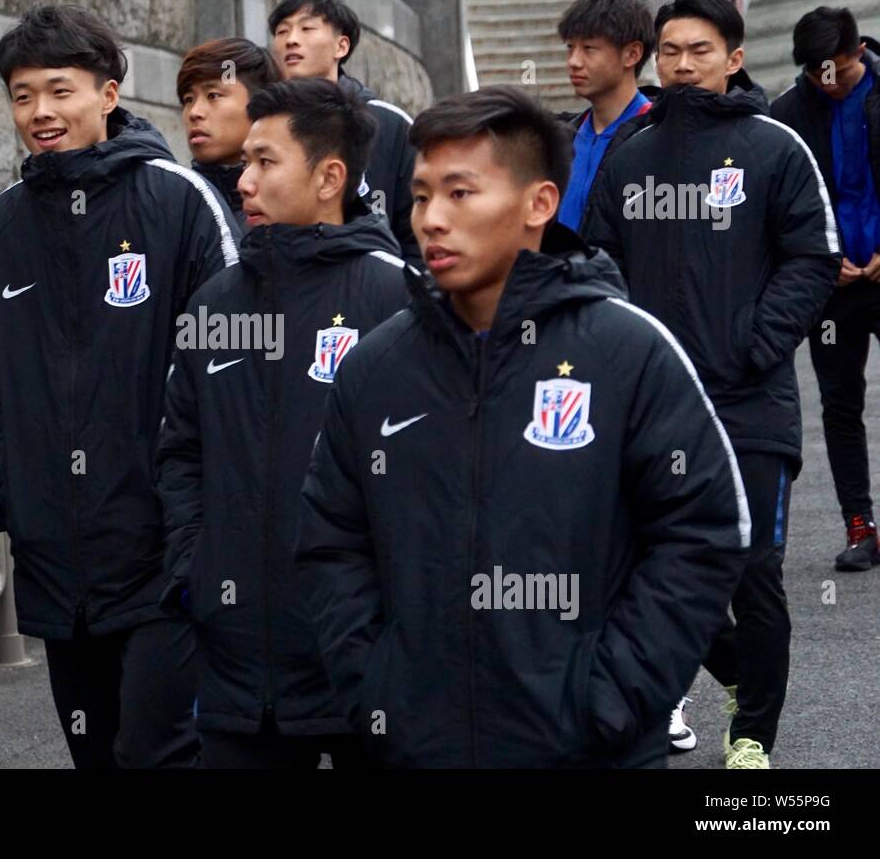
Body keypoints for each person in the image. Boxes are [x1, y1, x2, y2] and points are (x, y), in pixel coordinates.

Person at [294, 85, 748, 768]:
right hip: (421, 747)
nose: (432, 220)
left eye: (460, 193)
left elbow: (705, 532)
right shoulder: (376, 365)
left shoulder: (628, 351)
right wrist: (377, 687)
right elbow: (331, 539)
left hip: (593, 749)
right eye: (420, 196)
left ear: (539, 203)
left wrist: (611, 696)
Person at [0, 5, 239, 768]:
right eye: (23, 96)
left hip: (164, 552)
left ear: (109, 95)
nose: (41, 113)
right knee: (94, 755)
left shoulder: (179, 200)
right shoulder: (1, 227)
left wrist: (199, 514)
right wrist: (9, 483)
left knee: (158, 750)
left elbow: (228, 366)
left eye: (61, 91)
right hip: (56, 556)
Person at [583, 0, 840, 768]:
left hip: (748, 402)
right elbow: (597, 264)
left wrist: (756, 343)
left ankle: (753, 734)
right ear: (653, 60)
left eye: (700, 51)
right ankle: (730, 674)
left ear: (733, 59)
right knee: (644, 567)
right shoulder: (630, 155)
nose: (683, 65)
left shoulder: (774, 147)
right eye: (670, 51)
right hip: (653, 407)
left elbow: (813, 255)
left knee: (750, 570)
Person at [156, 78, 406, 768]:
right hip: (239, 667)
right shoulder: (214, 303)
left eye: (266, 162)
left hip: (366, 663)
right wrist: (196, 568)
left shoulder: (398, 298)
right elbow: (179, 449)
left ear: (330, 176)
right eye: (245, 163)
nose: (244, 182)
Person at [770, 7, 880, 571]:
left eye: (834, 70)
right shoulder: (786, 115)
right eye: (816, 75)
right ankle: (860, 527)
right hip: (832, 289)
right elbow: (777, 207)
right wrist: (817, 256)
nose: (826, 83)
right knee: (839, 407)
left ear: (858, 50)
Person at [269, 0, 418, 261]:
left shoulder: (390, 125)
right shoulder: (263, 128)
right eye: (282, 31)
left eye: (306, 29)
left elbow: (417, 234)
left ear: (341, 46)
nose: (291, 40)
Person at [554, 0, 658, 231]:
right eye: (570, 47)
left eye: (588, 48)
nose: (574, 61)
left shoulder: (659, 136)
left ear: (632, 54)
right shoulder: (562, 139)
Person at [178, 36, 281, 230]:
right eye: (188, 99)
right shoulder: (173, 206)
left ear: (260, 103)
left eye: (213, 96)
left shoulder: (291, 211)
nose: (194, 113)